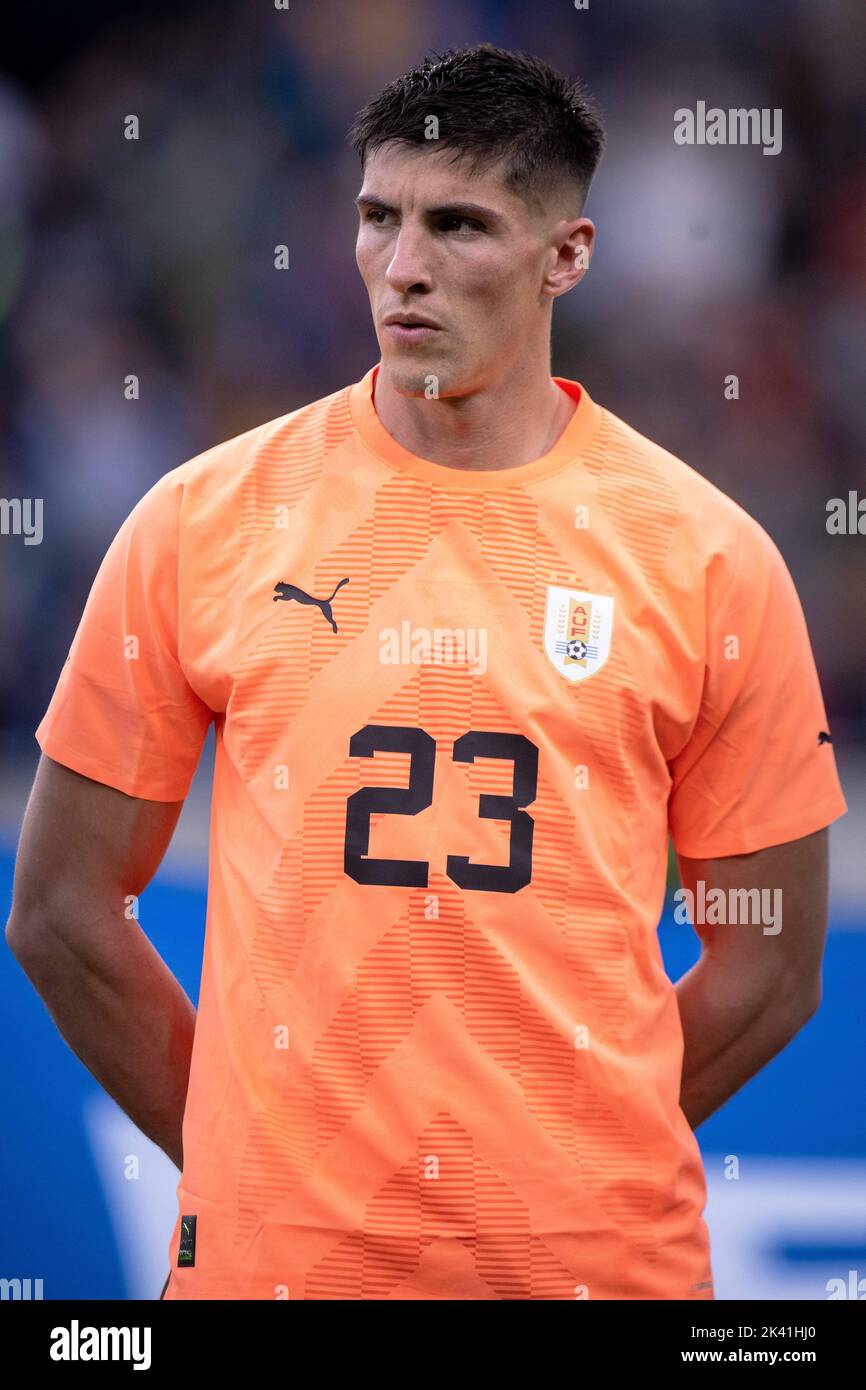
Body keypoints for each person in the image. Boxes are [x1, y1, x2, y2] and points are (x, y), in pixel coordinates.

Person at [6, 43, 847, 1301]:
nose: (403, 266)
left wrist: (568, 1159)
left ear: (565, 255)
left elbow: (770, 956)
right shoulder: (199, 522)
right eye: (377, 218)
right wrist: (256, 1163)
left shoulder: (708, 558)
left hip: (595, 1274)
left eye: (458, 225)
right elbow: (64, 912)